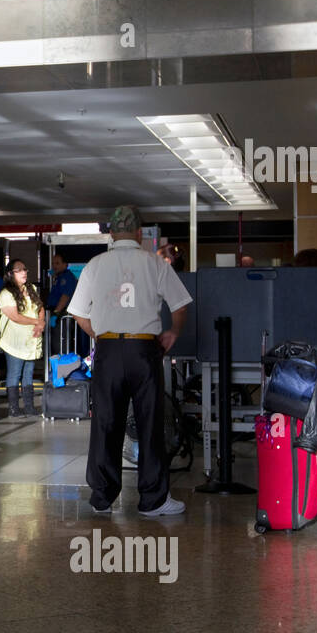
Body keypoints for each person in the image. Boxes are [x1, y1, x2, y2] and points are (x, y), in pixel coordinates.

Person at [67, 205, 193, 517]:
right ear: (139, 234)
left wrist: (100, 335)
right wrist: (173, 332)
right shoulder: (155, 263)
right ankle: (153, 500)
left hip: (108, 351)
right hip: (144, 350)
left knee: (106, 423)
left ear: (111, 232)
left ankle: (102, 497)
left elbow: (78, 312)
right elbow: (180, 305)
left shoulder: (95, 265)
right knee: (150, 422)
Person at [0, 259, 45, 417]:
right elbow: (15, 317)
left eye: (25, 269)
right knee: (15, 374)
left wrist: (40, 324)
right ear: (11, 274)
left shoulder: (31, 288)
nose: (24, 272)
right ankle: (13, 408)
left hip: (31, 340)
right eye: (19, 270)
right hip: (14, 342)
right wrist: (36, 322)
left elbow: (40, 307)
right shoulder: (6, 294)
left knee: (28, 374)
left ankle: (30, 407)